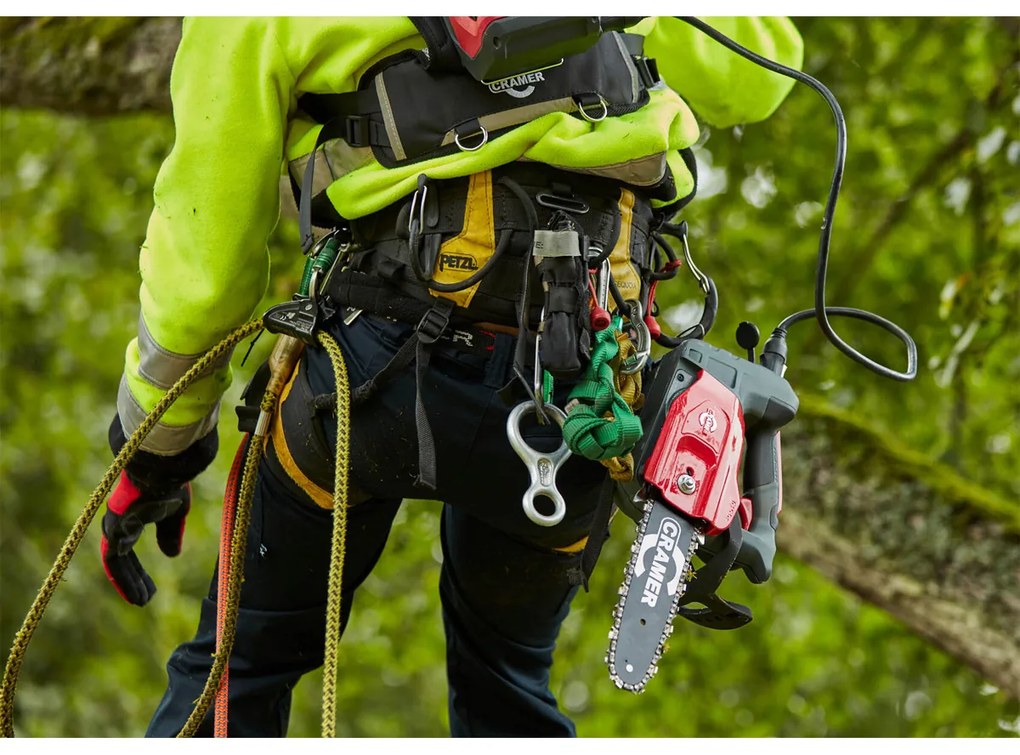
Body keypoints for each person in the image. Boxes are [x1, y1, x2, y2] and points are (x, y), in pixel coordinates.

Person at [98, 16, 803, 737]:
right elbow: (761, 73)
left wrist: (156, 452)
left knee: (236, 671)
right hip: (580, 392)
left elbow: (204, 273)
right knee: (507, 691)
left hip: (371, 370)